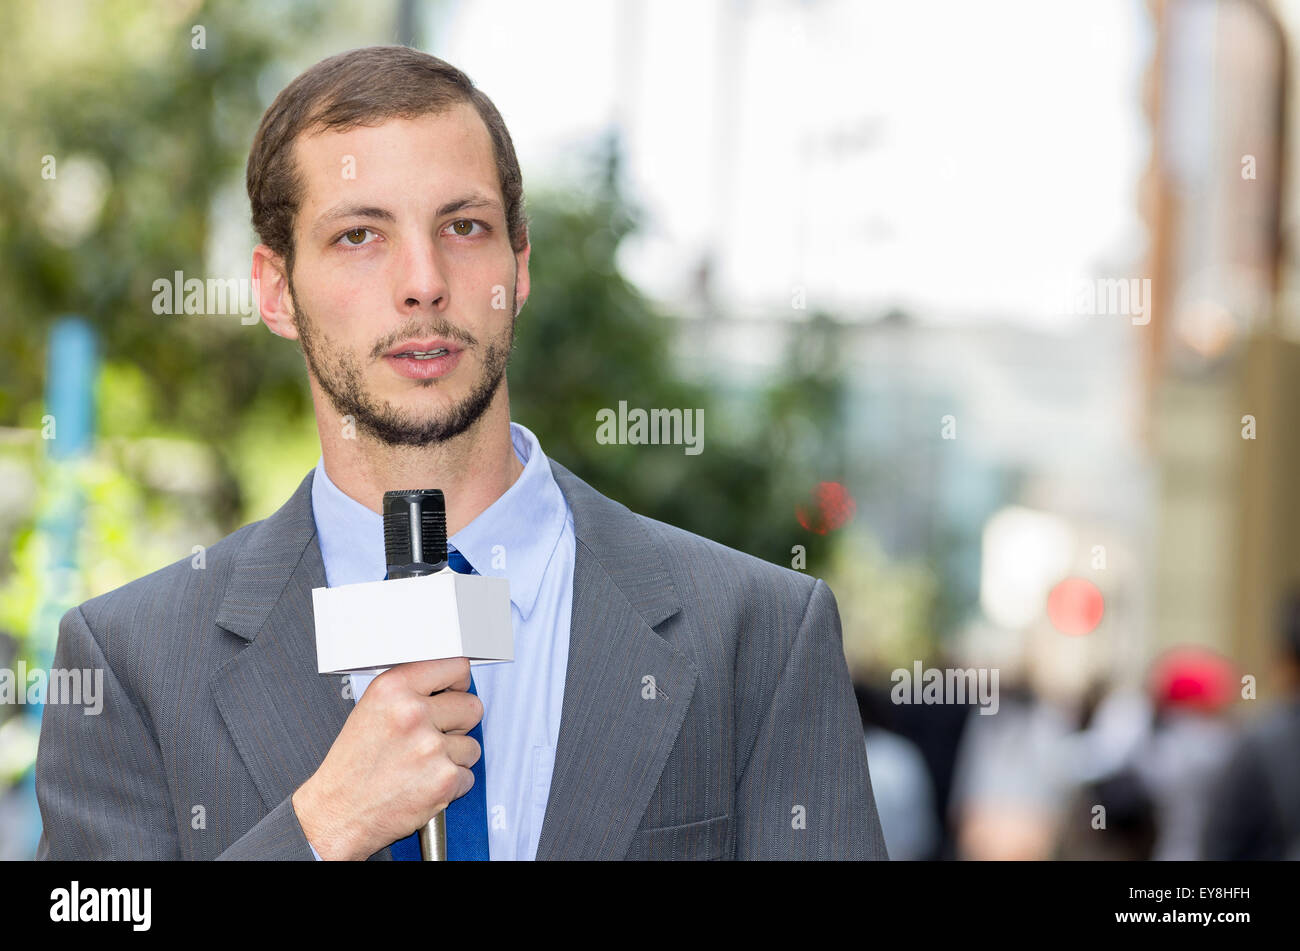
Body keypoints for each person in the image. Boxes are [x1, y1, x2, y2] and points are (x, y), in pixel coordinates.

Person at [33, 46, 887, 861]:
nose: (424, 279)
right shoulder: (133, 661)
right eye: (359, 236)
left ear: (519, 266)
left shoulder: (759, 636)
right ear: (274, 289)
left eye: (464, 226)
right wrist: (321, 828)